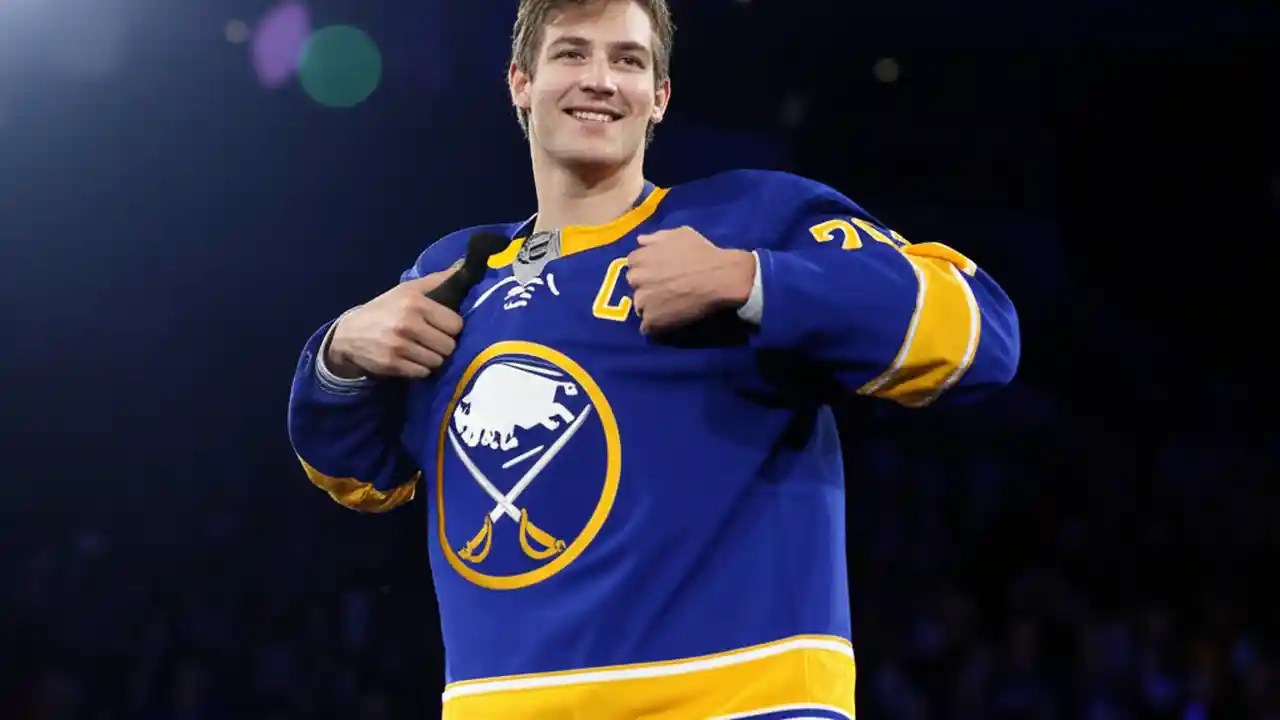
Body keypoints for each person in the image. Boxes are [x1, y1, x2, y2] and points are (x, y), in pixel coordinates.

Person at [287, 0, 1021, 717]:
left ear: (659, 96)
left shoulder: (749, 218)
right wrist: (338, 355)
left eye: (628, 60)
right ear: (520, 82)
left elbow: (978, 335)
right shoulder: (457, 270)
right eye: (572, 52)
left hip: (738, 701)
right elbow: (359, 477)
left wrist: (754, 281)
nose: (600, 78)